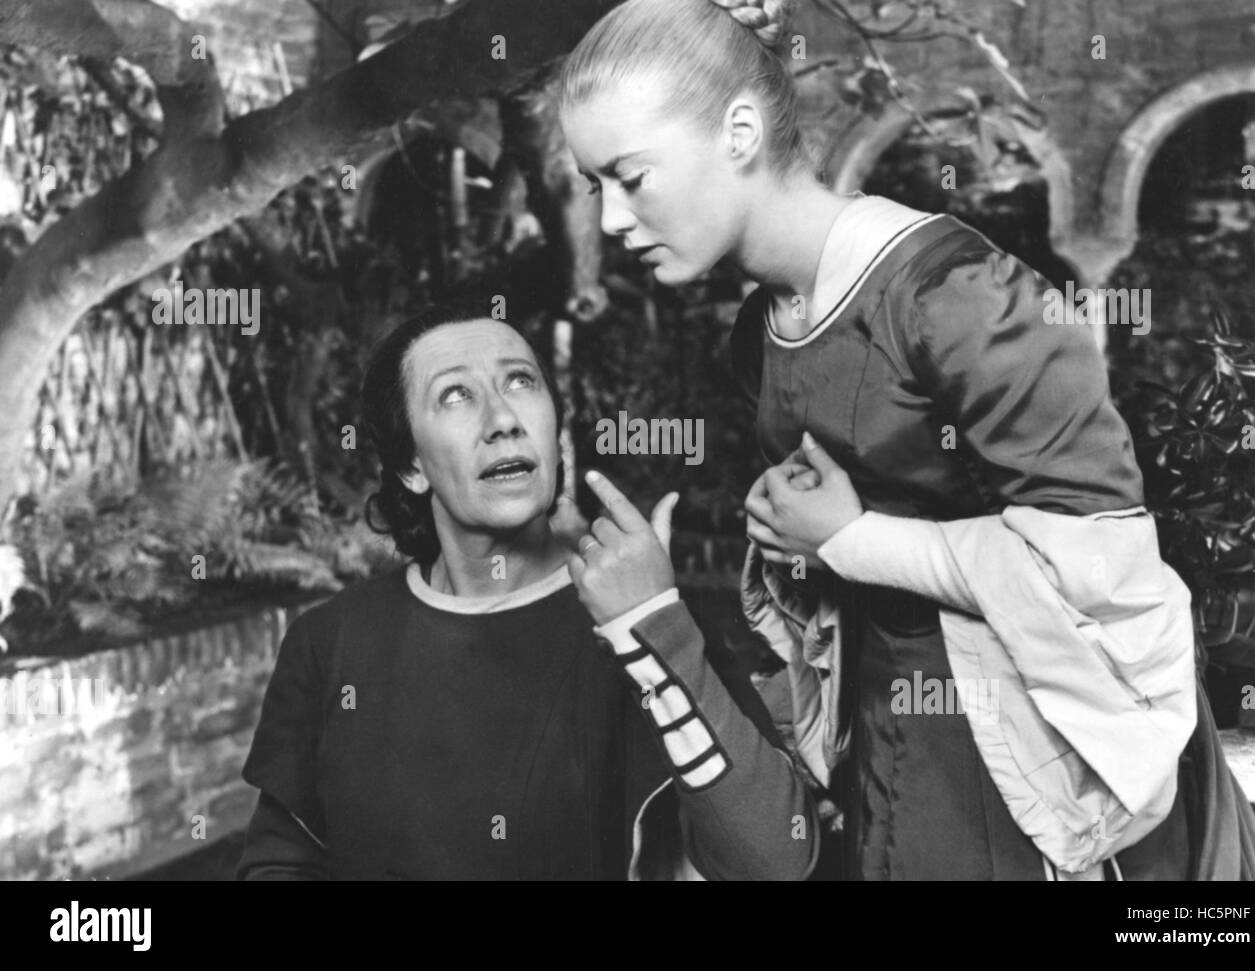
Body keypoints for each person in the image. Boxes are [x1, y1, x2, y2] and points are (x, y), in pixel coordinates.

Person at [557, 0, 1255, 879]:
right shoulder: (762, 329)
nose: (612, 222)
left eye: (631, 177)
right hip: (892, 748)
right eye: (597, 186)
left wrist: (851, 539)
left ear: (739, 130)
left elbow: (1104, 572)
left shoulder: (959, 296)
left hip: (1041, 769)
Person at [235, 297, 818, 880]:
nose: (503, 418)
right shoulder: (330, 639)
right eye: (455, 395)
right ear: (411, 466)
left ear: (554, 430)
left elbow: (776, 863)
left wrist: (653, 626)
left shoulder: (643, 615)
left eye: (520, 382)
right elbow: (279, 861)